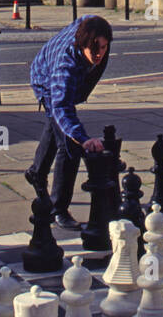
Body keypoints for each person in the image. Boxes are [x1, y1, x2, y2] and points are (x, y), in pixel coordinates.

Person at [27, 15, 111, 231]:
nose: (100, 53)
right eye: (95, 49)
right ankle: (58, 209)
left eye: (104, 47)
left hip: (60, 70)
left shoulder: (91, 29)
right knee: (69, 144)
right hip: (44, 79)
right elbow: (62, 107)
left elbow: (85, 18)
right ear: (83, 44)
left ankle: (36, 172)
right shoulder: (65, 68)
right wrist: (83, 139)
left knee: (54, 127)